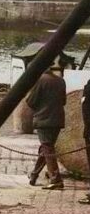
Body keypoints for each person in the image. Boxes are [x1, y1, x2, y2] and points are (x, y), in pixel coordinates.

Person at [27, 59, 69, 190]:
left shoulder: (40, 80)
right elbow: (63, 101)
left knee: (47, 147)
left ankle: (55, 179)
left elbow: (31, 101)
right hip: (57, 120)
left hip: (44, 120)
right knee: (46, 147)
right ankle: (34, 175)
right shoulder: (61, 81)